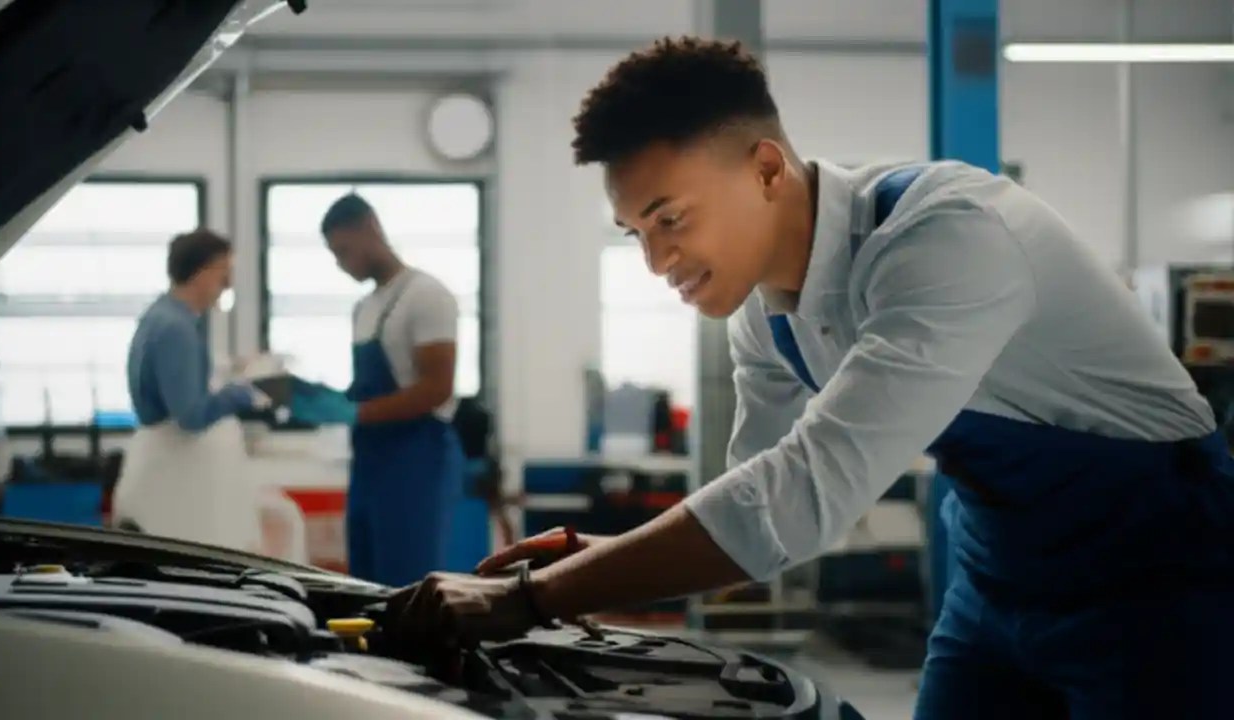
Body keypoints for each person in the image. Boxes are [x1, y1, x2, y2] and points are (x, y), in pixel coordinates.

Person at [384, 37, 1234, 718]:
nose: (656, 261)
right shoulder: (764, 315)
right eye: (635, 233)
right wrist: (605, 560)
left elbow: (799, 496)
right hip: (997, 578)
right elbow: (754, 505)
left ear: (765, 168)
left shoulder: (947, 237)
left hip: (1157, 578)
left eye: (671, 219)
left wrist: (533, 597)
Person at [289, 193, 464, 588]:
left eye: (344, 251)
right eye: (334, 255)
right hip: (369, 462)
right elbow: (367, 390)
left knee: (407, 585)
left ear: (371, 227)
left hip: (416, 461)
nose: (341, 264)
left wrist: (356, 413)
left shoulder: (426, 295)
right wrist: (323, 399)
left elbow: (437, 387)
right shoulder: (364, 307)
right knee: (365, 584)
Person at [114, 229, 265, 551]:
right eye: (224, 272)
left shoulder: (160, 315)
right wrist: (241, 394)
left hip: (161, 468)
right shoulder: (176, 329)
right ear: (204, 272)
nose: (228, 284)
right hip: (175, 474)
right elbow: (190, 416)